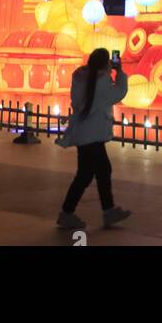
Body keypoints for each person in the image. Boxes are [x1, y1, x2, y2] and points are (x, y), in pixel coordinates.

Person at [56, 47, 131, 231]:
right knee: (101, 170)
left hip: (84, 134)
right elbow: (119, 92)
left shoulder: (81, 78)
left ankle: (71, 212)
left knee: (87, 174)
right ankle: (105, 211)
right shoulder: (102, 82)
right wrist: (119, 72)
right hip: (93, 135)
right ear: (106, 63)